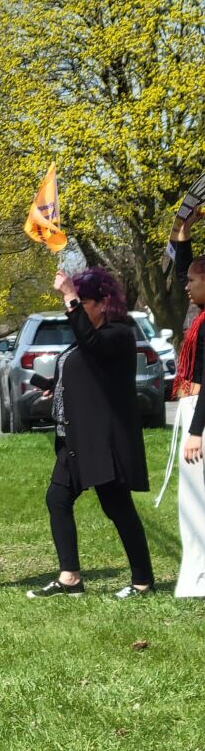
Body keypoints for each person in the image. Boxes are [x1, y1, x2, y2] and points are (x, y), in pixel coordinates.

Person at [28, 267, 154, 599]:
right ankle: (69, 577)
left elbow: (94, 346)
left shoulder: (118, 334)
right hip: (75, 439)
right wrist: (52, 387)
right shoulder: (89, 333)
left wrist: (69, 294)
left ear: (103, 303)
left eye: (84, 301)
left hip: (102, 440)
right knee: (57, 498)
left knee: (117, 507)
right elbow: (84, 369)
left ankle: (142, 580)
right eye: (78, 301)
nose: (78, 307)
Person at [166, 211, 205, 597]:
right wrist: (183, 232)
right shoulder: (200, 311)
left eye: (195, 280)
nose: (187, 287)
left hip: (201, 417)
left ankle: (198, 581)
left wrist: (196, 433)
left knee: (197, 502)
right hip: (194, 405)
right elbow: (183, 273)